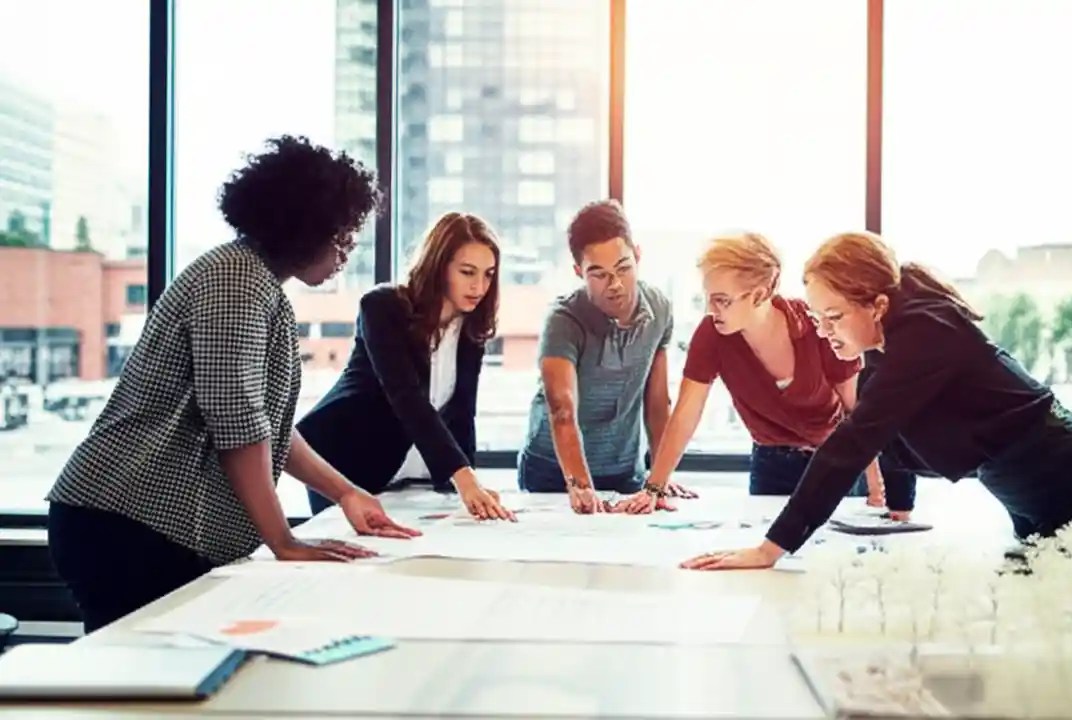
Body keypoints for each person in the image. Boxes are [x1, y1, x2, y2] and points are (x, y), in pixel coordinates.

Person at [46, 136, 418, 633]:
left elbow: (266, 426)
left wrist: (346, 492)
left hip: (145, 524)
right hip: (127, 522)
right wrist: (284, 541)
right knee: (141, 678)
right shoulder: (235, 280)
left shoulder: (257, 282)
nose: (348, 249)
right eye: (342, 234)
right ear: (304, 227)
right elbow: (238, 424)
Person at [682, 231, 1072, 570]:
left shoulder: (924, 332)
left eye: (834, 316)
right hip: (1027, 487)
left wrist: (770, 549)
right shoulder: (888, 340)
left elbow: (853, 442)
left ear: (877, 306)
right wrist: (896, 510)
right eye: (818, 318)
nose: (824, 331)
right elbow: (887, 431)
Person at [614, 232, 897, 514]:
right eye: (707, 298)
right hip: (771, 465)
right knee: (766, 539)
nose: (711, 309)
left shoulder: (818, 327)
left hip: (835, 461)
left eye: (722, 300)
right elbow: (686, 413)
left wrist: (876, 485)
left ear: (760, 295)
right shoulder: (712, 334)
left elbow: (856, 413)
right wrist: (655, 487)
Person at [297, 212, 513, 521]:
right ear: (438, 266)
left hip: (405, 474)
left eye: (489, 275)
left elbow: (463, 413)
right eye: (467, 272)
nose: (479, 287)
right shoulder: (383, 307)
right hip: (344, 459)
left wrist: (470, 489)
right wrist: (464, 479)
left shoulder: (470, 329)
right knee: (352, 547)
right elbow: (406, 397)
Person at [517, 199, 693, 512]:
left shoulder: (660, 309)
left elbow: (656, 404)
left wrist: (660, 478)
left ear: (638, 255)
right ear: (578, 271)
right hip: (553, 474)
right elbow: (562, 410)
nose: (615, 285)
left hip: (625, 472)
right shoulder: (563, 320)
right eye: (599, 274)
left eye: (624, 268)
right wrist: (581, 486)